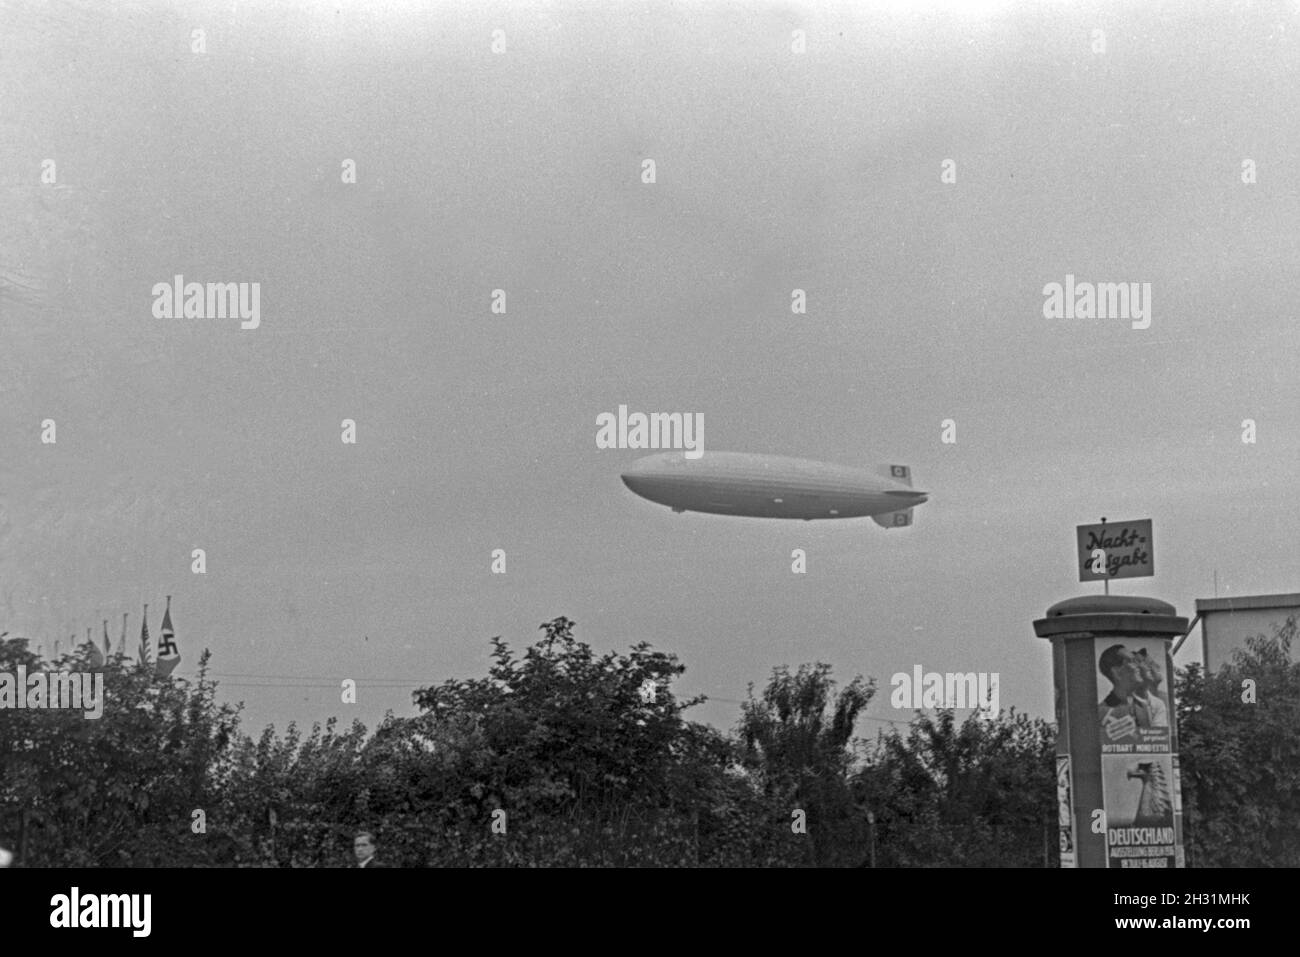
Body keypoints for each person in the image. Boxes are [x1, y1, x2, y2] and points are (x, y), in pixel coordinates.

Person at [1097, 644, 1150, 743]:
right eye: (1131, 662)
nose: (1138, 666)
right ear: (1116, 672)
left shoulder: (1145, 705)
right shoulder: (1102, 713)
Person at [1132, 648, 1169, 728]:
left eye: (1152, 664)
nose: (1153, 668)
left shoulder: (1163, 699)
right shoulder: (1128, 701)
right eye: (1149, 664)